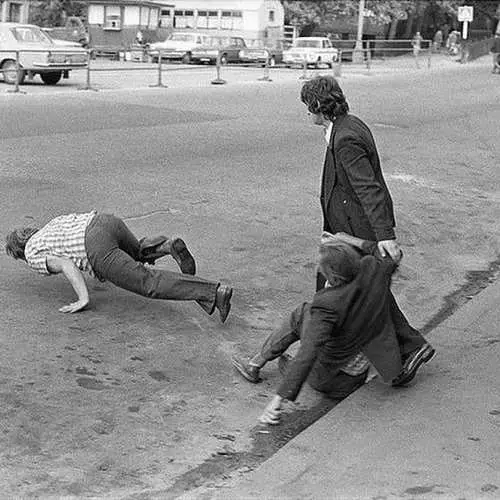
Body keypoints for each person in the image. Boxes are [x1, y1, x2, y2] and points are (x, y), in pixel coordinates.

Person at [299, 75, 434, 391]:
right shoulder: (345, 126)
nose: (306, 113)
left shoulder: (345, 138)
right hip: (347, 226)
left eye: (308, 107)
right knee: (361, 293)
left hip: (358, 230)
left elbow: (366, 187)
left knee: (352, 296)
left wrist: (385, 236)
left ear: (319, 107)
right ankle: (402, 349)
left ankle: (398, 351)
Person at [232, 233, 435, 425]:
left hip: (329, 381)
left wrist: (277, 400)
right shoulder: (373, 269)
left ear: (331, 275)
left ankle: (256, 363)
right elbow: (387, 252)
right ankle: (270, 365)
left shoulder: (327, 304)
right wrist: (344, 238)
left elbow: (308, 352)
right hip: (356, 376)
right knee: (313, 328)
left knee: (302, 313)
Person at [5, 211, 233, 322]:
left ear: (18, 252)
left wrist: (83, 298)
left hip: (95, 247)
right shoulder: (50, 226)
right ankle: (166, 246)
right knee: (133, 255)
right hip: (105, 221)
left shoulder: (31, 254)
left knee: (147, 282)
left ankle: (213, 293)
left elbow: (66, 264)